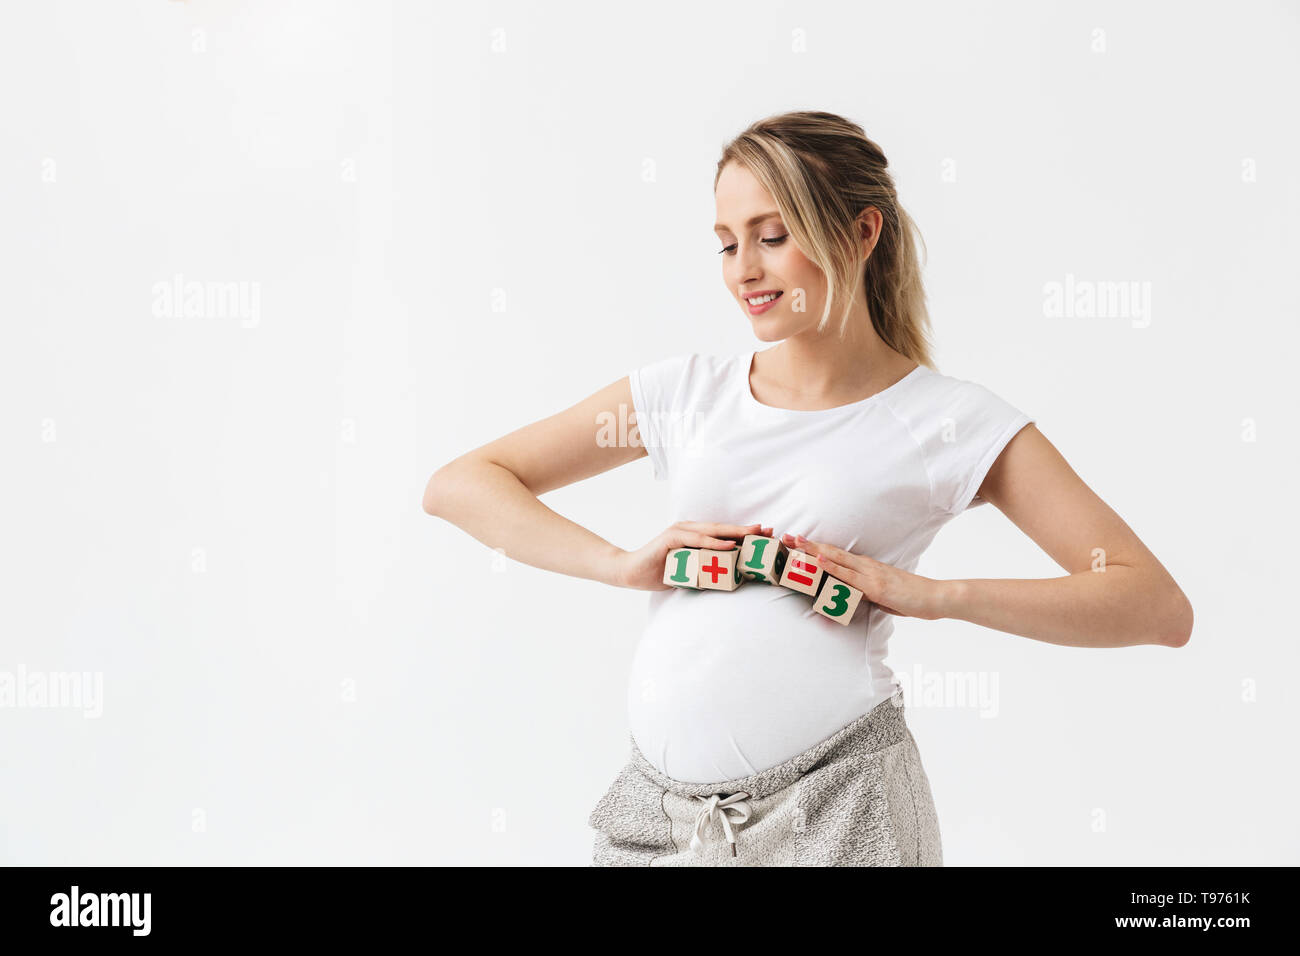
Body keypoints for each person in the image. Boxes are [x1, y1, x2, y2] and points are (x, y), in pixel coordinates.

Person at [421, 110, 1194, 866]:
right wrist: (618, 563)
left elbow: (1153, 604)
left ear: (862, 234)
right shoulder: (683, 392)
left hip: (841, 814)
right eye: (727, 244)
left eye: (772, 236)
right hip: (665, 823)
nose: (744, 271)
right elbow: (462, 484)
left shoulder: (948, 421)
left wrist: (935, 594)